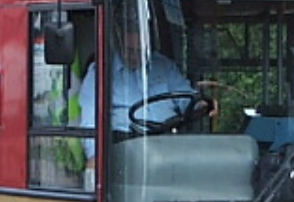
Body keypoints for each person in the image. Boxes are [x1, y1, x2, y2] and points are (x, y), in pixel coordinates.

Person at [77, 22, 212, 164]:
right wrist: (95, 155)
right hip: (125, 149)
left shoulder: (164, 66)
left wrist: (202, 105)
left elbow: (186, 98)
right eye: (129, 50)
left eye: (139, 51)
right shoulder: (100, 72)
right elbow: (91, 118)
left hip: (169, 146)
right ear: (119, 44)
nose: (135, 56)